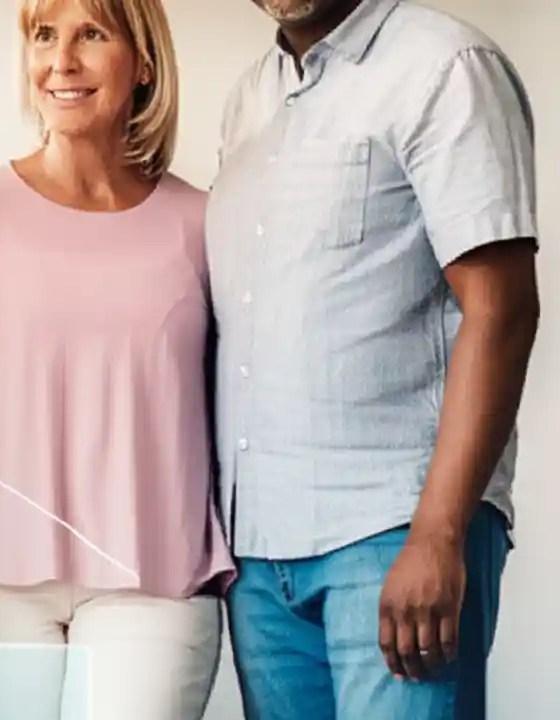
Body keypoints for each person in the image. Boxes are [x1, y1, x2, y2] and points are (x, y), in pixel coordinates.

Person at [207, 0, 540, 718]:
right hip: (261, 552)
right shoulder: (249, 97)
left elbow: (503, 310)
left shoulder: (445, 66)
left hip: (395, 530)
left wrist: (438, 533)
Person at [0, 0, 235, 717]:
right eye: (43, 36)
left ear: (143, 62)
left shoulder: (203, 223)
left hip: (153, 578)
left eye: (91, 34)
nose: (61, 61)